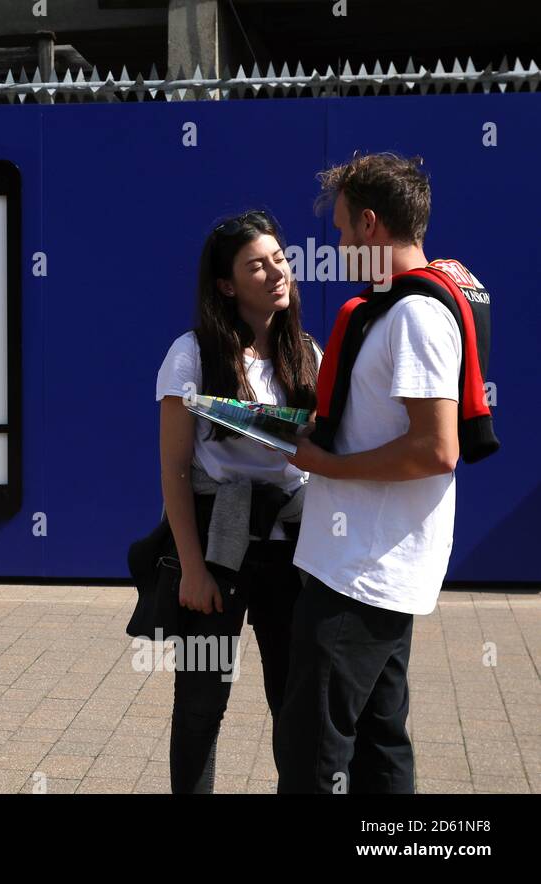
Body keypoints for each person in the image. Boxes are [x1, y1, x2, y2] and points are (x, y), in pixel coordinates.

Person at [276, 152, 498, 793]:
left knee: (312, 756)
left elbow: (436, 450)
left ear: (371, 224)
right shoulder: (396, 307)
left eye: (344, 229)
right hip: (367, 568)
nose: (340, 244)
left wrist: (329, 466)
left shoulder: (414, 316)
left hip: (361, 573)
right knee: (378, 751)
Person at [155, 210, 321, 793]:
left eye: (279, 258)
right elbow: (175, 472)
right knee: (202, 705)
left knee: (296, 704)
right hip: (217, 544)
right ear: (226, 285)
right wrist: (192, 569)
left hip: (292, 549)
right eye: (258, 264)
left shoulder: (308, 353)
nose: (277, 272)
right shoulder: (192, 355)